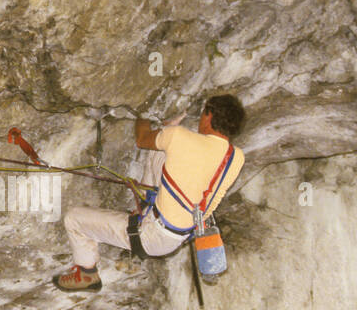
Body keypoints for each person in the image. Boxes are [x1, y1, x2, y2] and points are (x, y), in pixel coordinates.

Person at [54, 94, 245, 292]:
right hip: (181, 233)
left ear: (209, 116)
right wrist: (167, 130)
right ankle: (146, 200)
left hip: (152, 236)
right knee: (161, 148)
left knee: (74, 218)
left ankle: (87, 274)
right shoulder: (236, 157)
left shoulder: (179, 137)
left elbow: (142, 139)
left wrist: (141, 113)